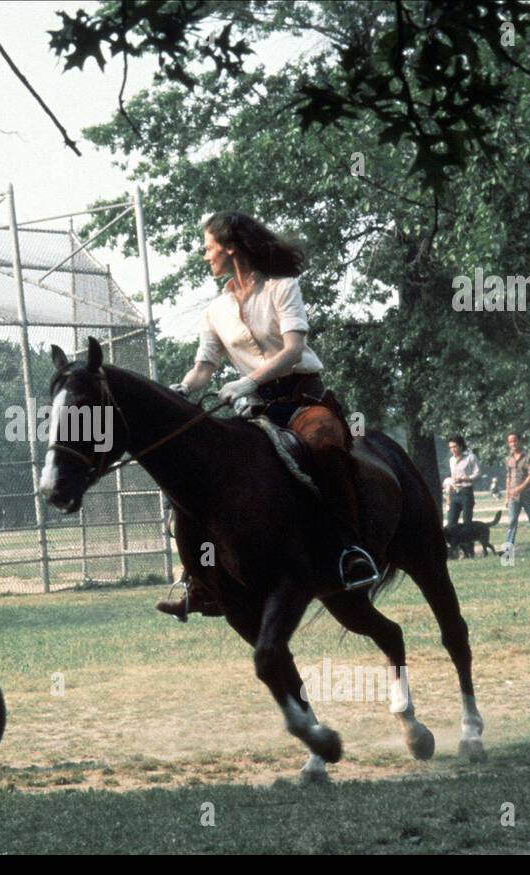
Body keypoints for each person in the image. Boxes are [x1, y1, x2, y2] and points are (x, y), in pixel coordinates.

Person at [156, 211, 377, 622]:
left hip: (301, 399)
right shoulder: (215, 310)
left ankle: (349, 550)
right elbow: (203, 368)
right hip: (255, 409)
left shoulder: (282, 287)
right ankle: (199, 579)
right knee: (205, 470)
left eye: (208, 247)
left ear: (230, 247)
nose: (205, 256)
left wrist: (248, 380)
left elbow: (292, 350)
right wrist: (184, 389)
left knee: (324, 443)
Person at [503, 432, 530, 554]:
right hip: (513, 497)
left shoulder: (528, 457)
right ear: (508, 443)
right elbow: (508, 477)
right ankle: (508, 551)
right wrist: (507, 496)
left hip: (527, 495)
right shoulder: (508, 459)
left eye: (515, 441)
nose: (513, 444)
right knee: (511, 522)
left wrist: (520, 488)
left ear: (520, 441)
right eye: (511, 441)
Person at [446, 435, 480, 529]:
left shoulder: (470, 457)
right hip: (455, 493)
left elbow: (477, 474)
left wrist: (465, 478)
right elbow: (452, 477)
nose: (453, 449)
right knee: (451, 523)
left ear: (461, 446)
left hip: (466, 492)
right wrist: (449, 495)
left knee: (467, 522)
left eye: (455, 447)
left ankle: (468, 543)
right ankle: (455, 543)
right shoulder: (451, 460)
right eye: (450, 447)